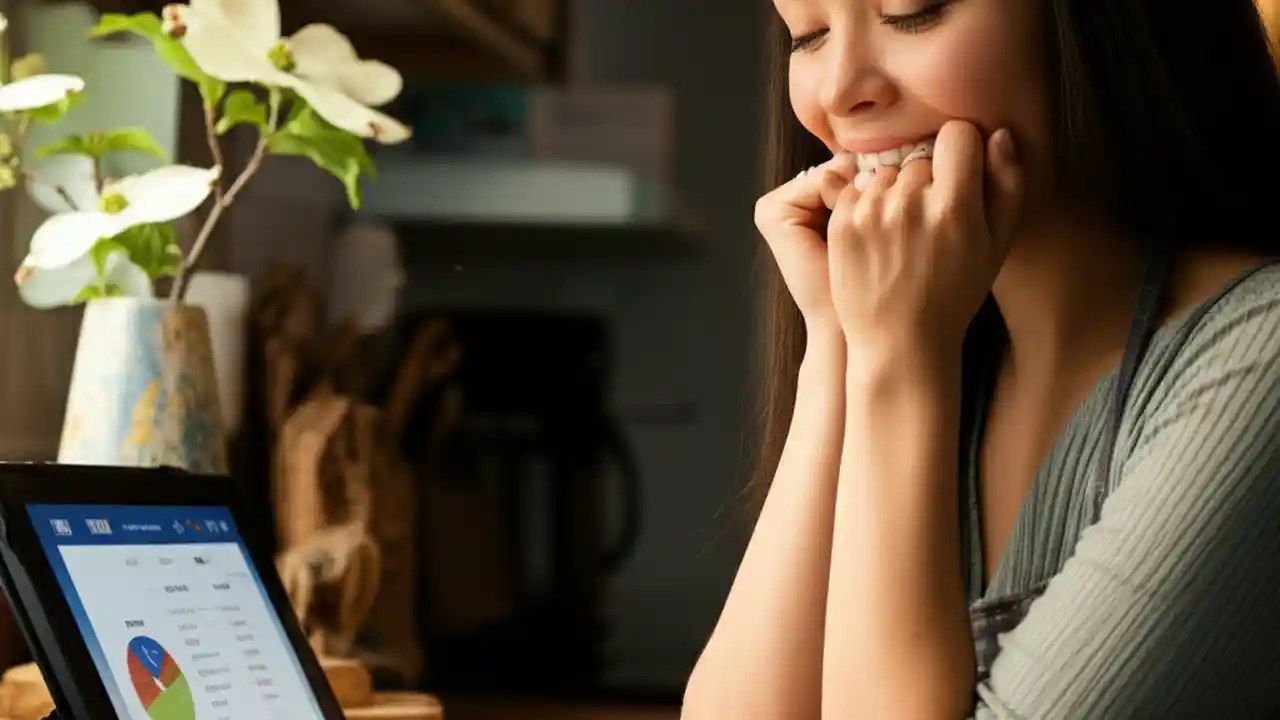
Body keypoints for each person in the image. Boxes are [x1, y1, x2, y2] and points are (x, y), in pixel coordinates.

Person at [683, 0, 1280, 718]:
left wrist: (897, 359)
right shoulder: (933, 353)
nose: (838, 91)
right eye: (806, 34)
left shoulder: (1259, 356)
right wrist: (839, 342)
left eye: (914, 12)